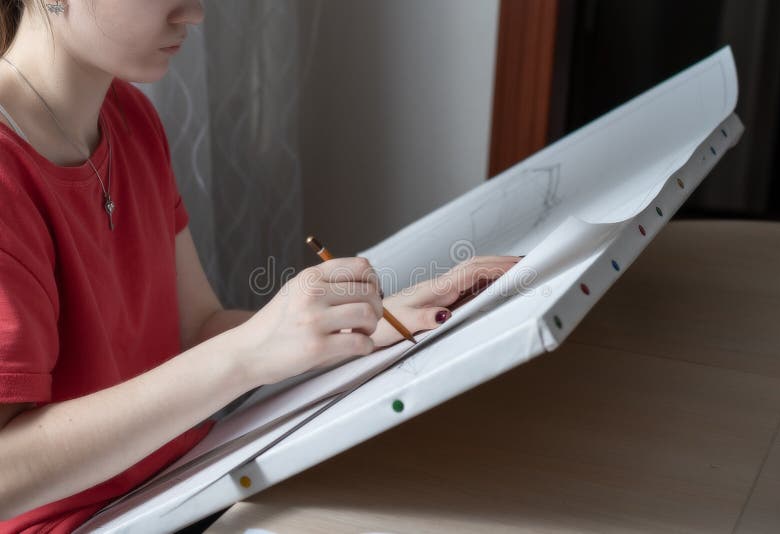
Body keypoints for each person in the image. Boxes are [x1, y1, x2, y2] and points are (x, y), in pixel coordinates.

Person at [0, 0, 520, 531]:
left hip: (190, 487)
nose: (195, 14)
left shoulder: (130, 117)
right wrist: (249, 354)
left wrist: (362, 323)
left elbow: (200, 328)